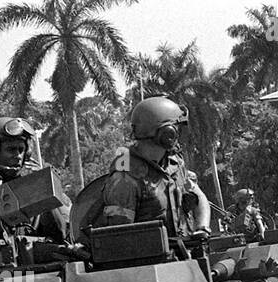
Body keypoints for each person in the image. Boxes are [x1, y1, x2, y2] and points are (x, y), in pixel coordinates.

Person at [88, 96, 211, 245]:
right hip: (152, 262)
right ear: (167, 133)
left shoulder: (174, 164)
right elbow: (119, 238)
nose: (178, 135)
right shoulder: (126, 175)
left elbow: (199, 197)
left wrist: (202, 228)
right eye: (175, 129)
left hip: (184, 255)